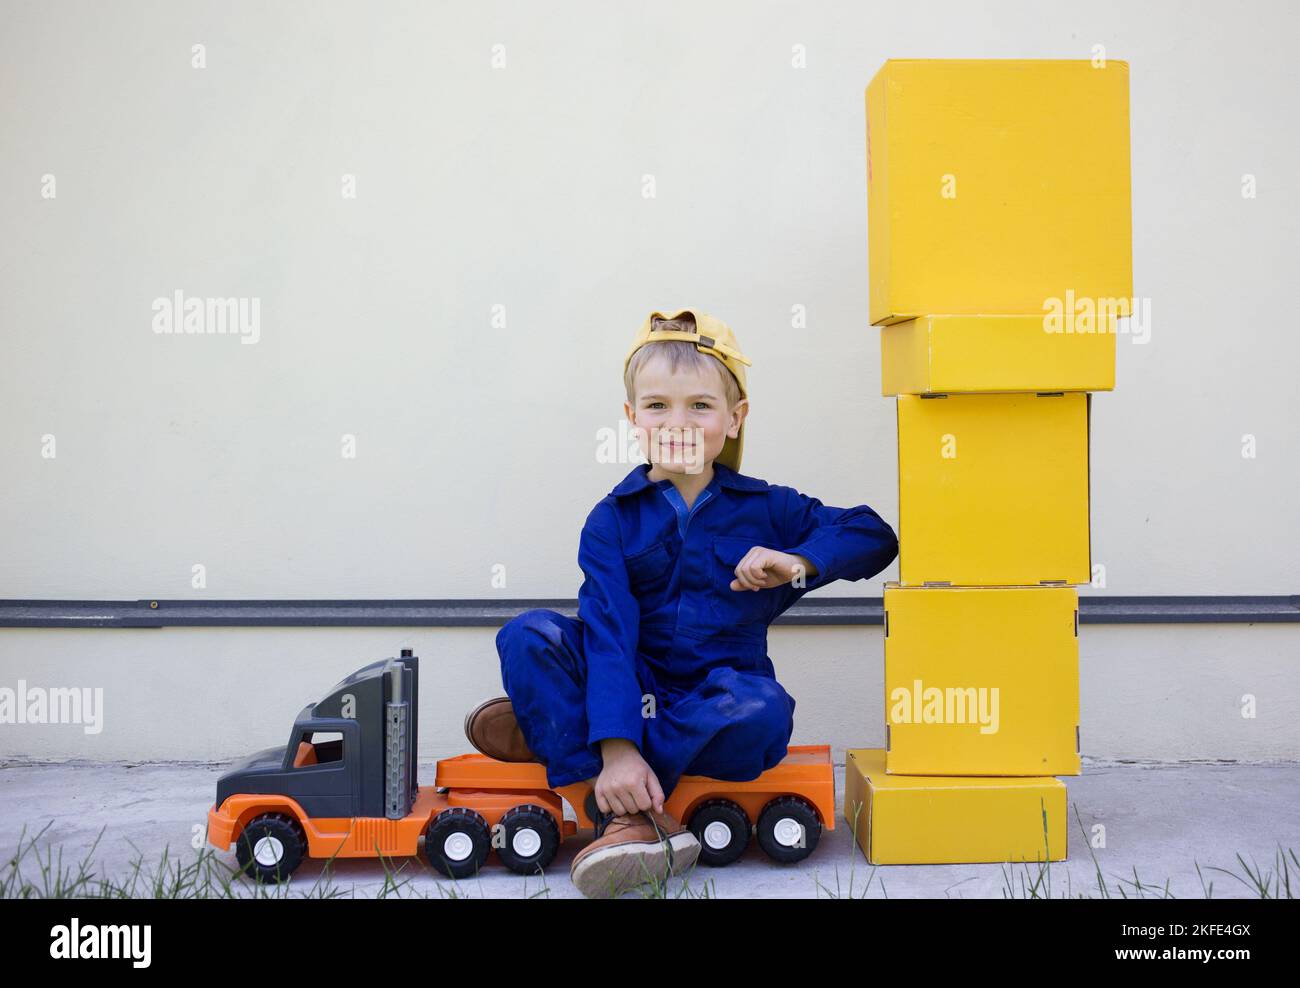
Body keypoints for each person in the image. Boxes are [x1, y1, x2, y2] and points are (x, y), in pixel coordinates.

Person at [466, 308, 899, 897]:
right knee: (529, 634)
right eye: (657, 406)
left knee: (766, 708)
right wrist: (619, 746)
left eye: (700, 405)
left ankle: (575, 753)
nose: (679, 423)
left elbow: (874, 535)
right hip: (632, 682)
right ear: (631, 417)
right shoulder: (611, 520)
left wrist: (797, 561)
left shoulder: (768, 509)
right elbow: (608, 636)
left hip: (715, 700)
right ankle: (621, 789)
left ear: (735, 417)